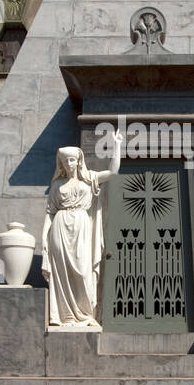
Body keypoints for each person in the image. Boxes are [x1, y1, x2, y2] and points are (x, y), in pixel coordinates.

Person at [41, 134, 123, 326]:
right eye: (65, 161)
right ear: (61, 163)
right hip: (60, 227)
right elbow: (50, 213)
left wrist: (117, 146)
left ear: (79, 161)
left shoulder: (89, 179)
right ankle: (65, 316)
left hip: (81, 225)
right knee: (62, 274)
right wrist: (44, 238)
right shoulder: (56, 185)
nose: (69, 164)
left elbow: (113, 172)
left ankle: (86, 315)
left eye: (72, 160)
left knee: (83, 271)